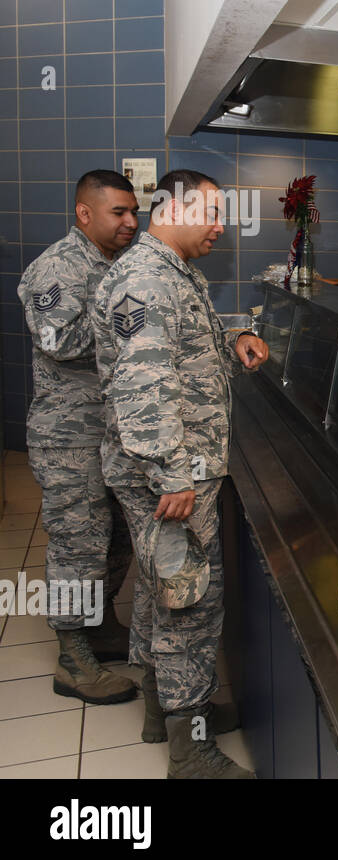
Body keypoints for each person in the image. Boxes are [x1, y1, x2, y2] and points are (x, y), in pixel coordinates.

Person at [93, 168, 270, 779]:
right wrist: (173, 475)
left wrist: (236, 337)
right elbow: (145, 384)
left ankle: (160, 709)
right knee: (187, 602)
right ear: (174, 208)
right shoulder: (143, 278)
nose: (223, 225)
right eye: (213, 213)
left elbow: (183, 346)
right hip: (167, 474)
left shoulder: (175, 270)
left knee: (157, 592)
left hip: (174, 467)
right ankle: (189, 750)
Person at [18, 170, 140, 705]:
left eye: (134, 212)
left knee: (114, 539)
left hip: (111, 436)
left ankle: (101, 625)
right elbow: (58, 339)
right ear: (84, 213)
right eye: (119, 213)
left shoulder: (116, 266)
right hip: (69, 438)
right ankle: (72, 658)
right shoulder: (56, 267)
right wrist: (127, 316)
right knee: (77, 547)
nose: (131, 222)